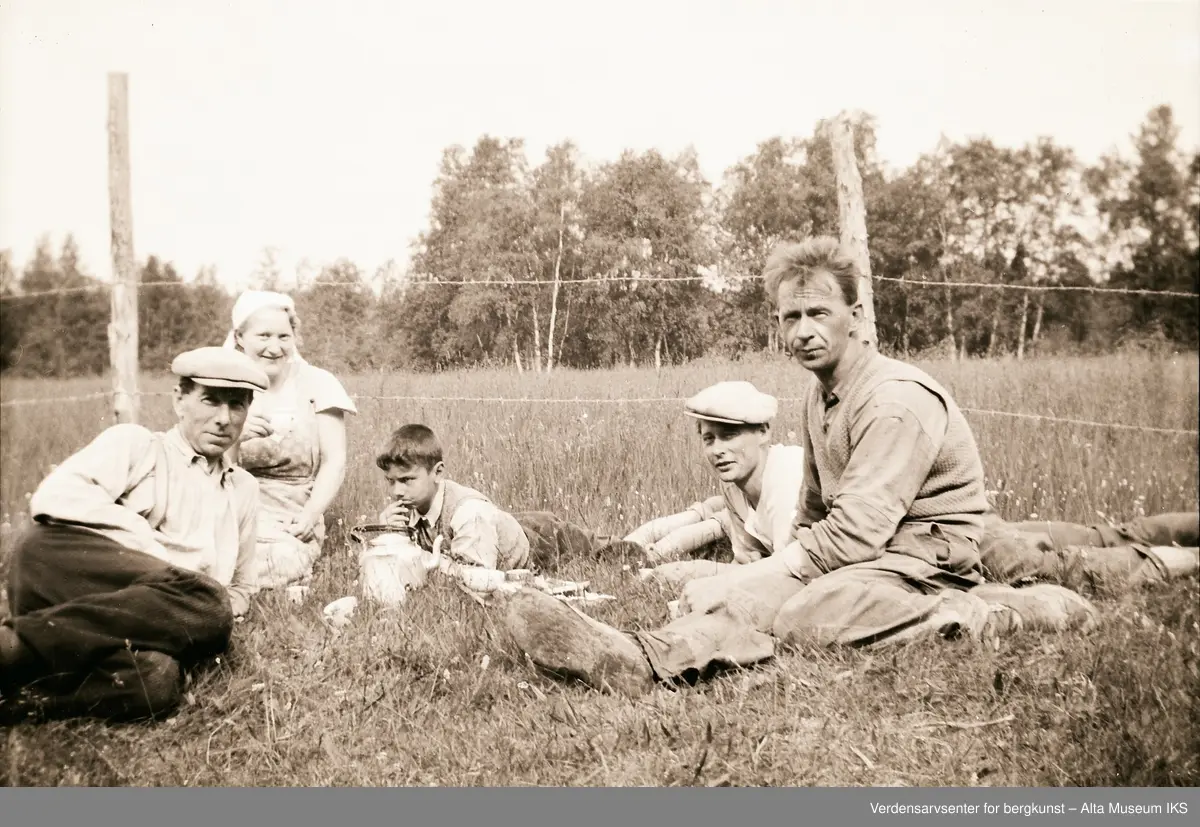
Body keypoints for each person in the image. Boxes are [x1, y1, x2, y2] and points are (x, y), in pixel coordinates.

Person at [500, 236, 1097, 697]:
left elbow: (859, 530)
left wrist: (752, 578)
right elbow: (814, 513)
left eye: (818, 312)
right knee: (767, 597)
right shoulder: (823, 395)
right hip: (871, 556)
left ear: (856, 316)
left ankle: (996, 612)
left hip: (929, 559)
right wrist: (756, 579)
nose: (804, 330)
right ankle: (638, 657)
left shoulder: (896, 401)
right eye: (791, 317)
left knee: (808, 609)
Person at [0, 347, 269, 723]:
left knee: (158, 677)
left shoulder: (243, 488)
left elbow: (241, 588)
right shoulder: (138, 445)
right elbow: (53, 497)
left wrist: (199, 610)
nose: (224, 419)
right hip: (83, 582)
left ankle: (25, 700)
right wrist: (148, 546)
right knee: (37, 544)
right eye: (210, 400)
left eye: (237, 405)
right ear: (180, 400)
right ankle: (15, 648)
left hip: (144, 617)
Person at [223, 290, 357, 593]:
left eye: (284, 336)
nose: (274, 347)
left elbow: (335, 461)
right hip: (233, 508)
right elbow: (215, 469)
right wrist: (235, 436)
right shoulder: (225, 386)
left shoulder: (318, 383)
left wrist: (311, 514)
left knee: (278, 559)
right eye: (264, 336)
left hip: (294, 514)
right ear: (240, 337)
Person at [375, 424, 634, 573]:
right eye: (391, 481)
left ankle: (671, 529)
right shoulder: (408, 508)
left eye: (407, 480)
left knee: (629, 552)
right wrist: (389, 534)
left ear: (438, 472)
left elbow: (474, 576)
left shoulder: (469, 514)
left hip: (544, 542)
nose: (396, 491)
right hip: (507, 529)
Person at [624, 381, 806, 592]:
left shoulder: (786, 476)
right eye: (708, 439)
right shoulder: (734, 485)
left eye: (729, 435)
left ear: (763, 432)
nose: (717, 450)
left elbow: (787, 576)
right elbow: (745, 563)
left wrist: (691, 572)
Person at [980, 510, 1198, 595]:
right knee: (1102, 538)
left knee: (1056, 565)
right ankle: (1164, 560)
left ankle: (1166, 560)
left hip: (970, 535)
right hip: (976, 528)